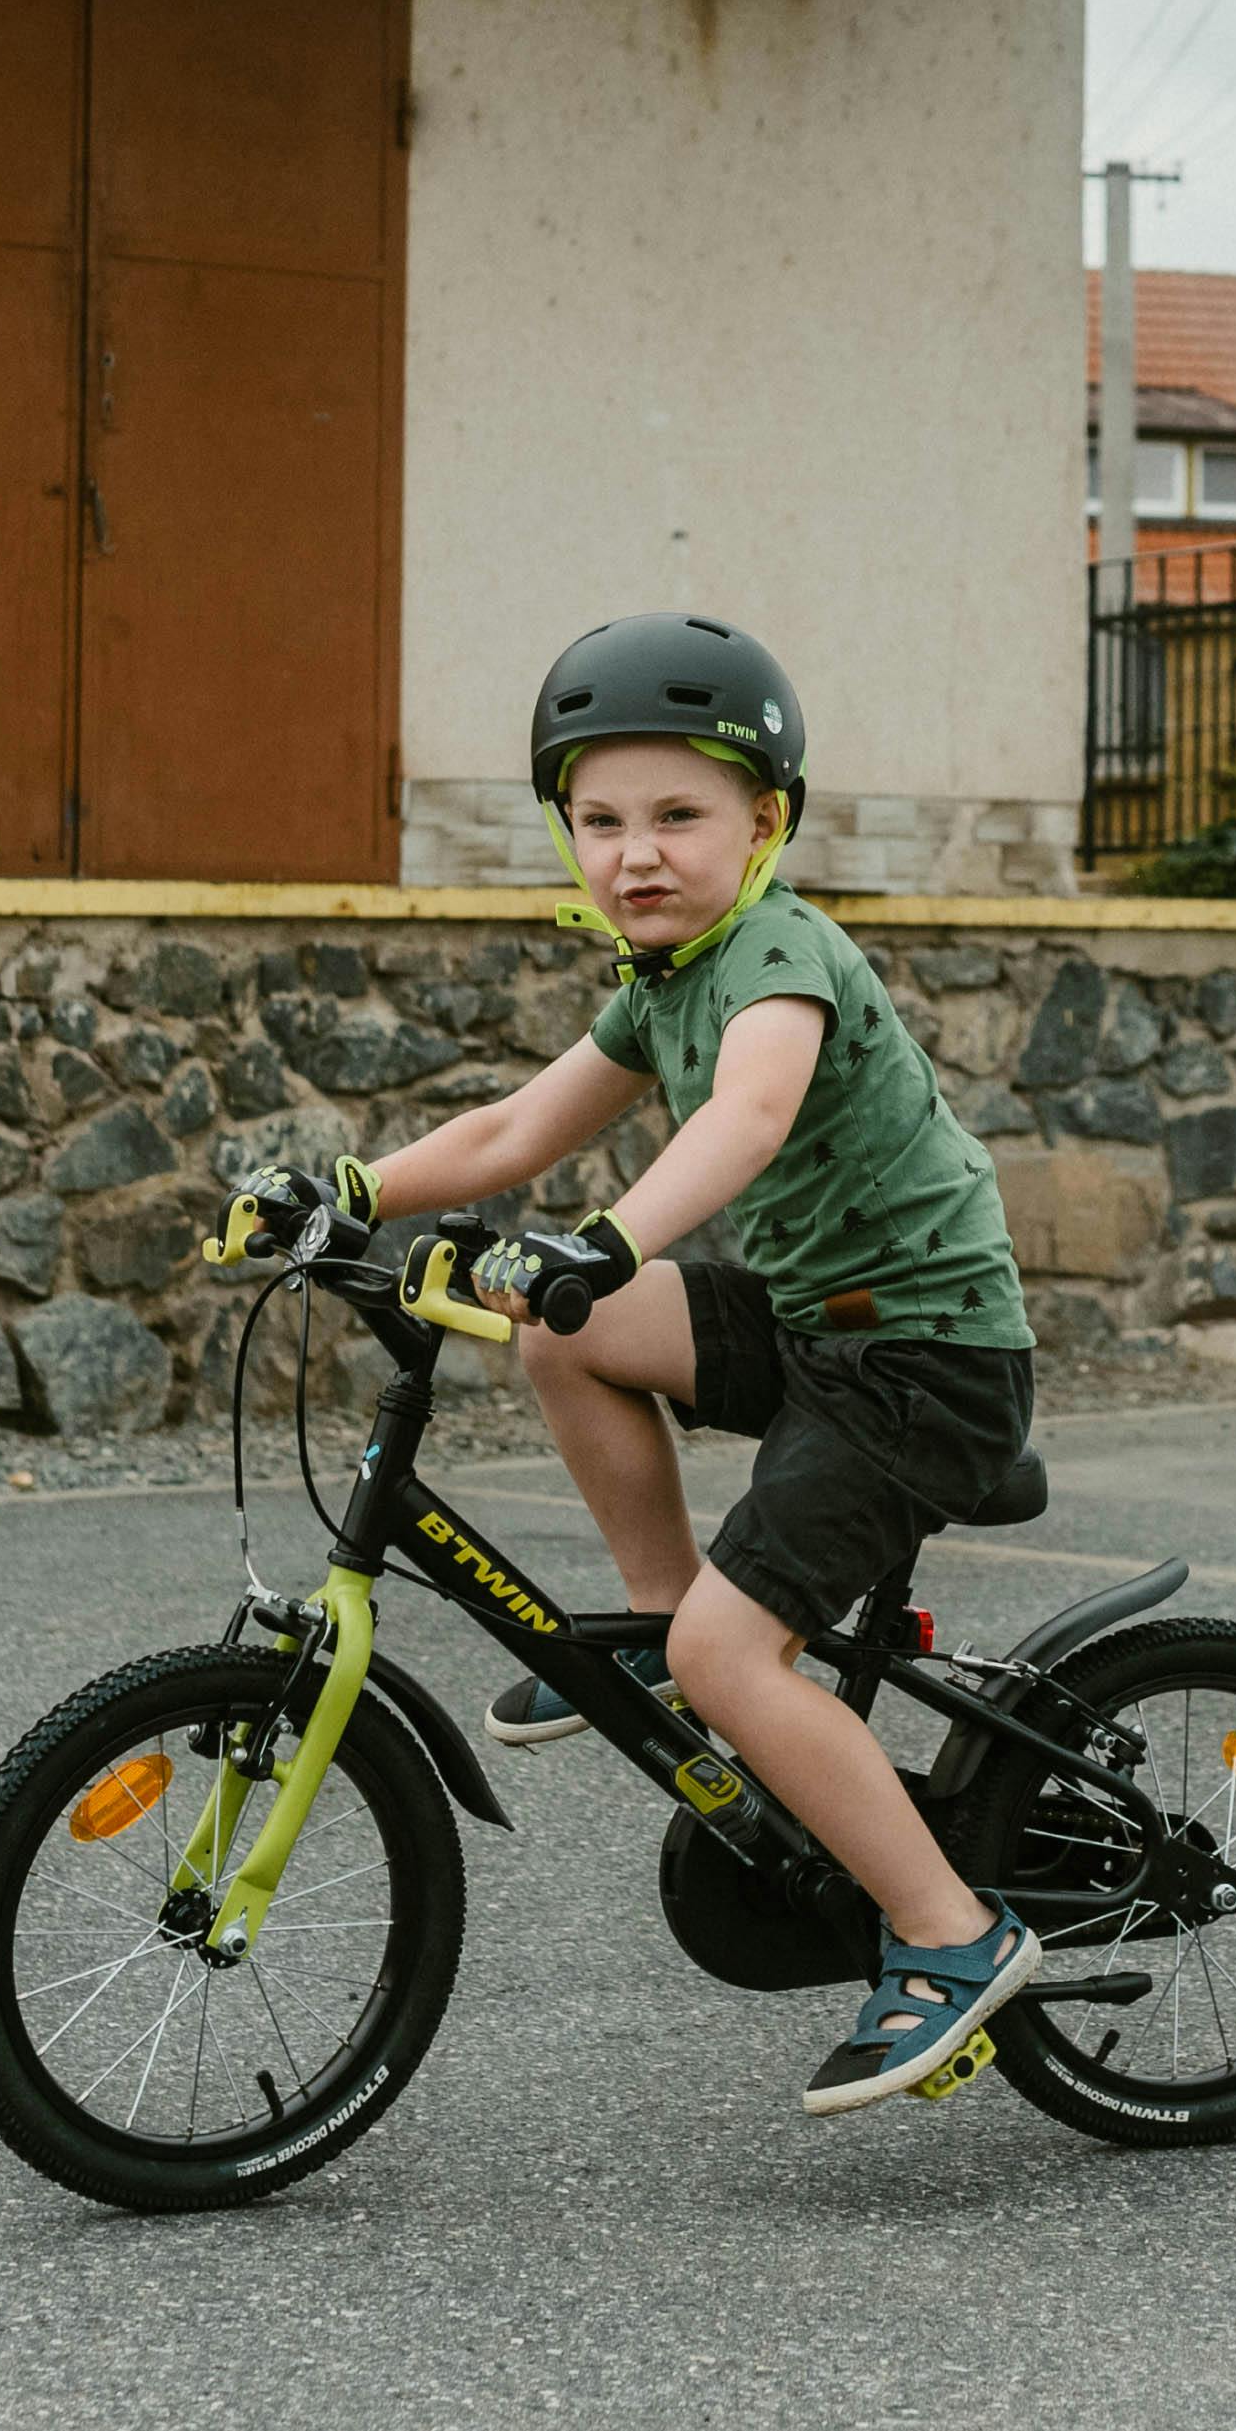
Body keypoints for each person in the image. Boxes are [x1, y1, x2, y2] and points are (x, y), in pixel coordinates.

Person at [234, 614, 1043, 2116]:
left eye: (679, 815)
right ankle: (672, 1627)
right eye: (600, 821)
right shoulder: (659, 975)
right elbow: (510, 1131)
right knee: (567, 1332)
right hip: (818, 1320)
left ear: (765, 823)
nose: (636, 854)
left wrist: (601, 1236)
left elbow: (741, 1118)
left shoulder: (780, 953)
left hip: (926, 1354)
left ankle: (952, 1932)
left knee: (732, 1648)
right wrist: (346, 1188)